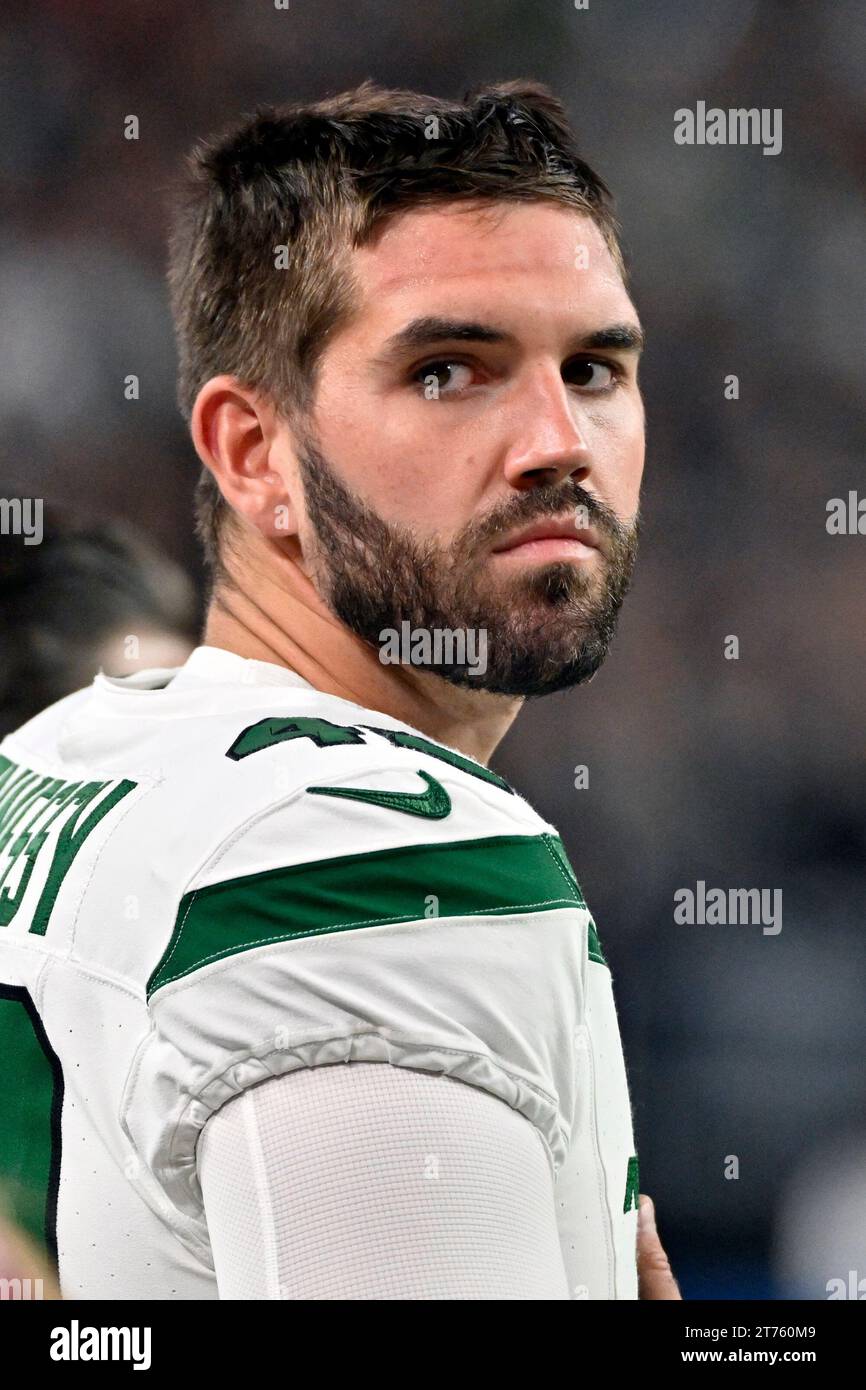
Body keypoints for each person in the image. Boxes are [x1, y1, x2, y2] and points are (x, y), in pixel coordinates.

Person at [0, 80, 679, 1298]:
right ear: (255, 454)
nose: (555, 440)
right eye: (446, 371)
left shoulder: (66, 747)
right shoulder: (373, 857)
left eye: (589, 368)